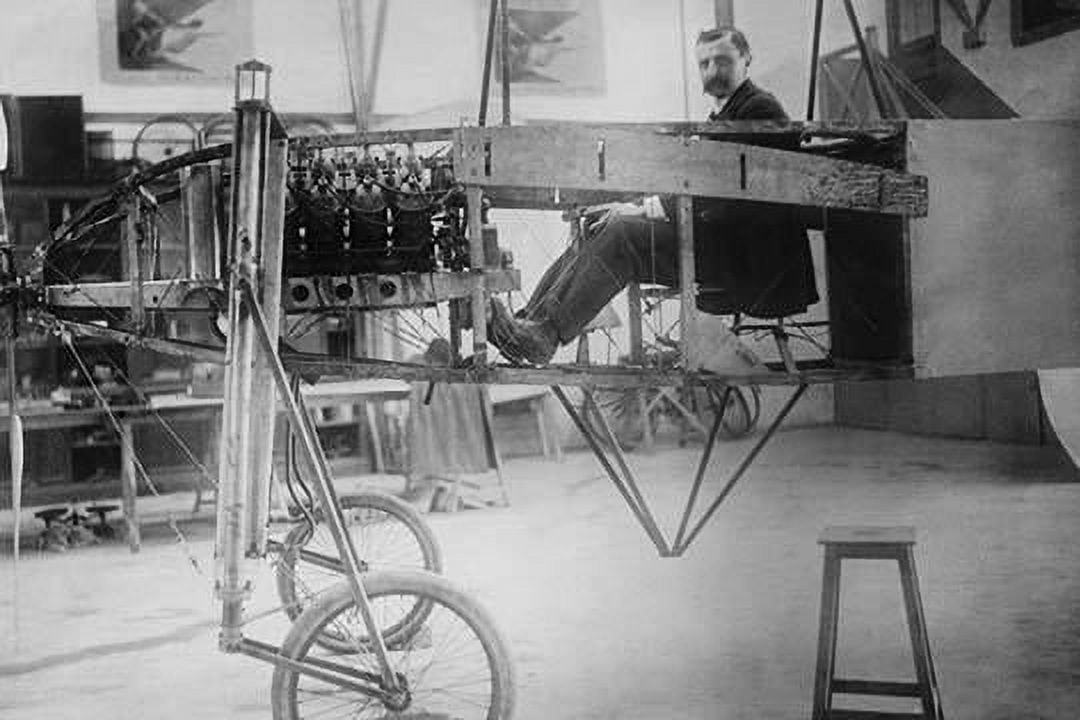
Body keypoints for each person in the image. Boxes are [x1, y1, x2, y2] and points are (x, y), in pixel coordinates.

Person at [488, 26, 818, 366]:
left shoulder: (759, 111)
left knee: (621, 234)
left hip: (752, 259)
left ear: (747, 58)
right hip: (724, 243)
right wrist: (632, 204)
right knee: (599, 226)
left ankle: (542, 334)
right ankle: (531, 326)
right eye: (704, 63)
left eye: (722, 60)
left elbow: (717, 190)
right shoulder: (728, 114)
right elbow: (700, 183)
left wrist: (640, 208)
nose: (712, 71)